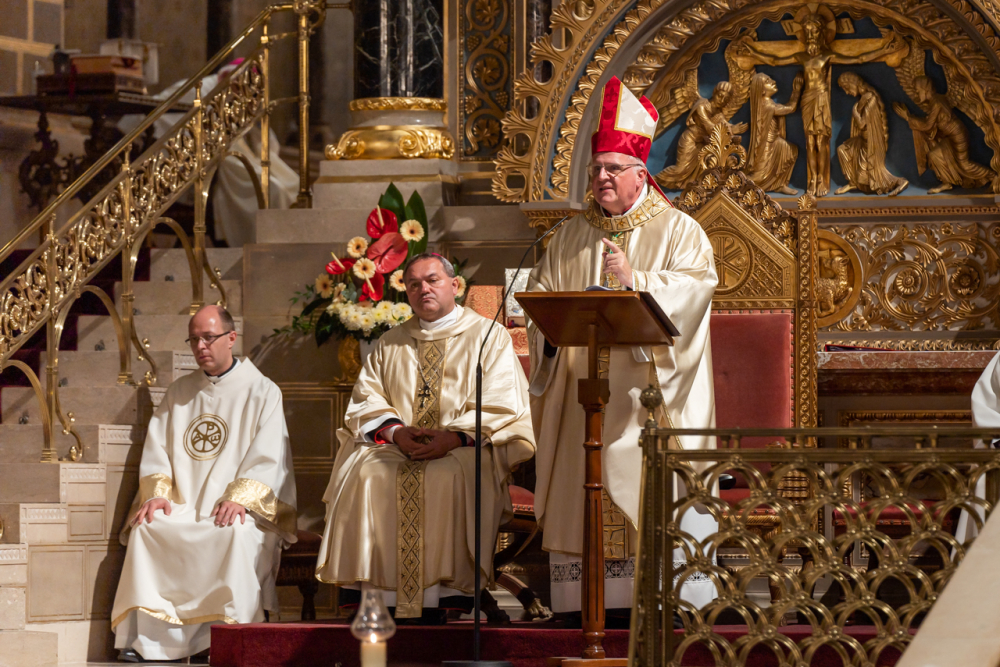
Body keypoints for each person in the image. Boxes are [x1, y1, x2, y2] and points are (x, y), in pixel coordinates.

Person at [527, 76, 718, 615]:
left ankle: (662, 599)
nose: (602, 178)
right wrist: (545, 324)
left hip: (646, 402)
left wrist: (639, 281)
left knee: (639, 468)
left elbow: (698, 289)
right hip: (584, 393)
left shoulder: (679, 229)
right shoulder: (568, 235)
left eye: (613, 169)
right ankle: (585, 604)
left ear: (641, 175)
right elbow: (542, 302)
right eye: (596, 170)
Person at [315, 254, 535, 621]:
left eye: (432, 280)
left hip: (463, 447)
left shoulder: (487, 336)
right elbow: (366, 400)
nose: (423, 289)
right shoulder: (391, 342)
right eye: (413, 284)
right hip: (399, 446)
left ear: (455, 286)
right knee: (366, 473)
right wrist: (397, 432)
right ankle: (377, 594)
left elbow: (503, 402)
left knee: (447, 475)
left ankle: (447, 593)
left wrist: (452, 438)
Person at [111, 305, 296, 662]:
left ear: (231, 337)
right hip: (184, 503)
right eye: (194, 338)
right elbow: (157, 450)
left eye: (208, 337)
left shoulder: (262, 391)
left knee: (234, 533)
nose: (200, 346)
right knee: (147, 528)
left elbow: (268, 455)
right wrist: (158, 495)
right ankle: (145, 642)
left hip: (234, 507)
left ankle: (225, 639)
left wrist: (240, 497)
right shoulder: (179, 392)